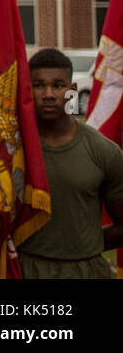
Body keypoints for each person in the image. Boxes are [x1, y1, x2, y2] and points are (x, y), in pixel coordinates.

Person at [16, 48, 123, 278]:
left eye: (58, 85)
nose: (48, 94)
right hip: (26, 269)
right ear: (27, 90)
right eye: (38, 85)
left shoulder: (103, 151)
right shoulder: (12, 151)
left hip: (87, 271)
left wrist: (83, 247)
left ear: (72, 91)